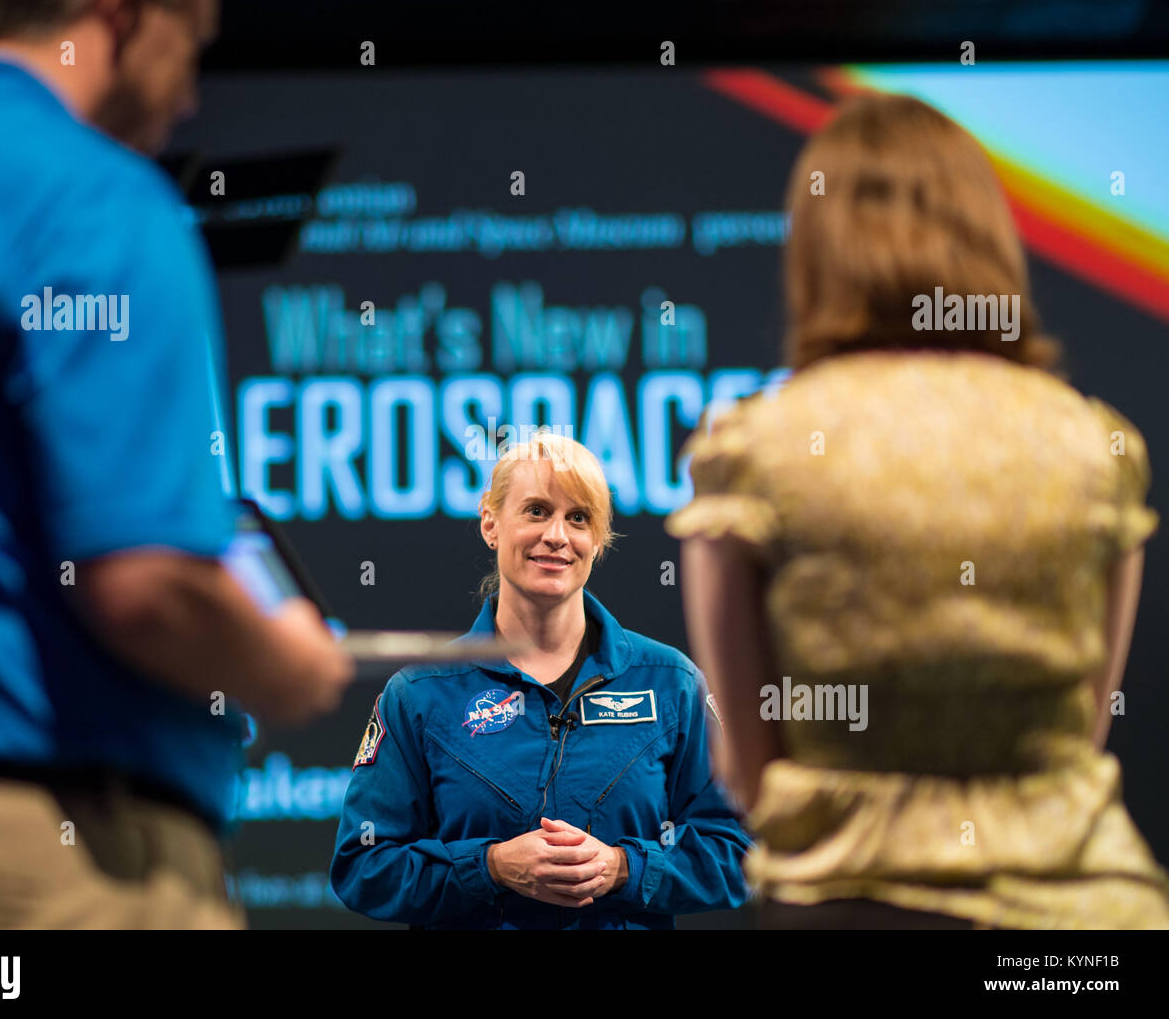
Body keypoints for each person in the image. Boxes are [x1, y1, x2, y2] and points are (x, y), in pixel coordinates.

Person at [0, 0, 352, 929]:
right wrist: (286, 666)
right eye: (193, 43)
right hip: (54, 865)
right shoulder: (96, 199)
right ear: (127, 0)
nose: (191, 94)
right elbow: (146, 589)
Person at [667, 92, 1169, 930]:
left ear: (820, 249)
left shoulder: (750, 450)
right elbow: (1082, 735)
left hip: (850, 906)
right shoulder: (1098, 445)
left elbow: (749, 776)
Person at [331, 433, 751, 929]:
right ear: (490, 522)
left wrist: (623, 868)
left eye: (579, 518)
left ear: (598, 539)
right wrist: (490, 867)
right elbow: (363, 865)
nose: (557, 535)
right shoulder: (421, 692)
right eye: (535, 511)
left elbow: (738, 851)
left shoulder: (671, 683)